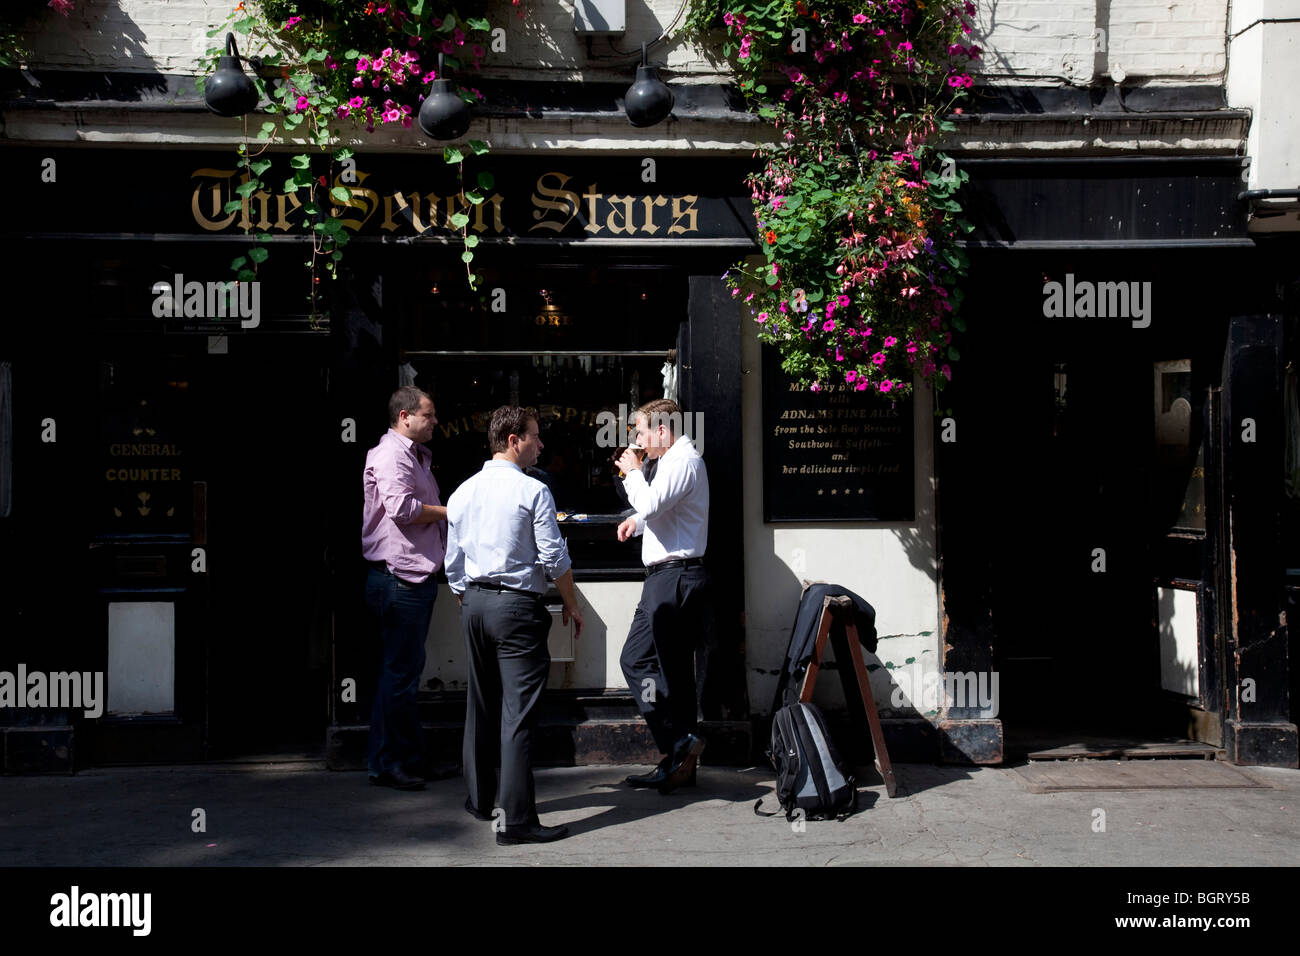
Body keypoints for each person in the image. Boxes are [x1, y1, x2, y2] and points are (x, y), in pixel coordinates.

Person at [445, 406, 585, 844]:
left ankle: (481, 800)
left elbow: (453, 563)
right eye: (535, 437)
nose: (541, 445)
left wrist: (472, 598)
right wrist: (571, 602)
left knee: (481, 704)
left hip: (476, 604)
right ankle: (518, 821)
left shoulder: (462, 491)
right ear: (512, 440)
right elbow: (553, 557)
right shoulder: (533, 491)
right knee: (518, 716)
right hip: (516, 608)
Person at [614, 398, 712, 794]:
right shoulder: (673, 463)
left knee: (636, 660)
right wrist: (635, 523)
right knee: (673, 674)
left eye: (640, 432)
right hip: (671, 576)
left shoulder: (683, 460)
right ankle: (679, 763)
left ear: (662, 430)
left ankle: (677, 741)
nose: (638, 440)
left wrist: (633, 473)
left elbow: (653, 501)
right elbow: (664, 511)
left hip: (673, 579)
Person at [361, 386, 448, 791]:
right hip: (400, 578)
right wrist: (452, 510)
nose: (434, 422)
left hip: (411, 576)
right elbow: (402, 510)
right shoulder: (392, 455)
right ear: (404, 417)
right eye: (428, 416)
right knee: (400, 676)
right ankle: (392, 762)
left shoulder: (412, 455)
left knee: (400, 674)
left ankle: (401, 759)